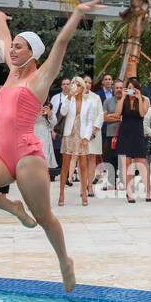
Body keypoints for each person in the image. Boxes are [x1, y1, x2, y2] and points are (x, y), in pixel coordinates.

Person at [0, 0, 102, 291]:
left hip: (27, 154)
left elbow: (61, 44)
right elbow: (3, 40)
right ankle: (14, 208)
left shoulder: (39, 78)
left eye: (19, 47)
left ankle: (64, 261)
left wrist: (77, 14)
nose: (12, 50)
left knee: (45, 218)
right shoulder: (12, 73)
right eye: (14, 47)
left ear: (33, 54)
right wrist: (1, 19)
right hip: (2, 152)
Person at [58, 76, 100, 206]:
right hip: (69, 135)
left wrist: (86, 138)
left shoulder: (89, 103)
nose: (75, 87)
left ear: (82, 87)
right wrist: (69, 96)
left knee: (83, 165)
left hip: (82, 136)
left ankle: (84, 193)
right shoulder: (68, 99)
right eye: (73, 84)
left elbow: (90, 122)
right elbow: (63, 112)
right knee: (65, 165)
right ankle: (61, 194)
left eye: (78, 85)